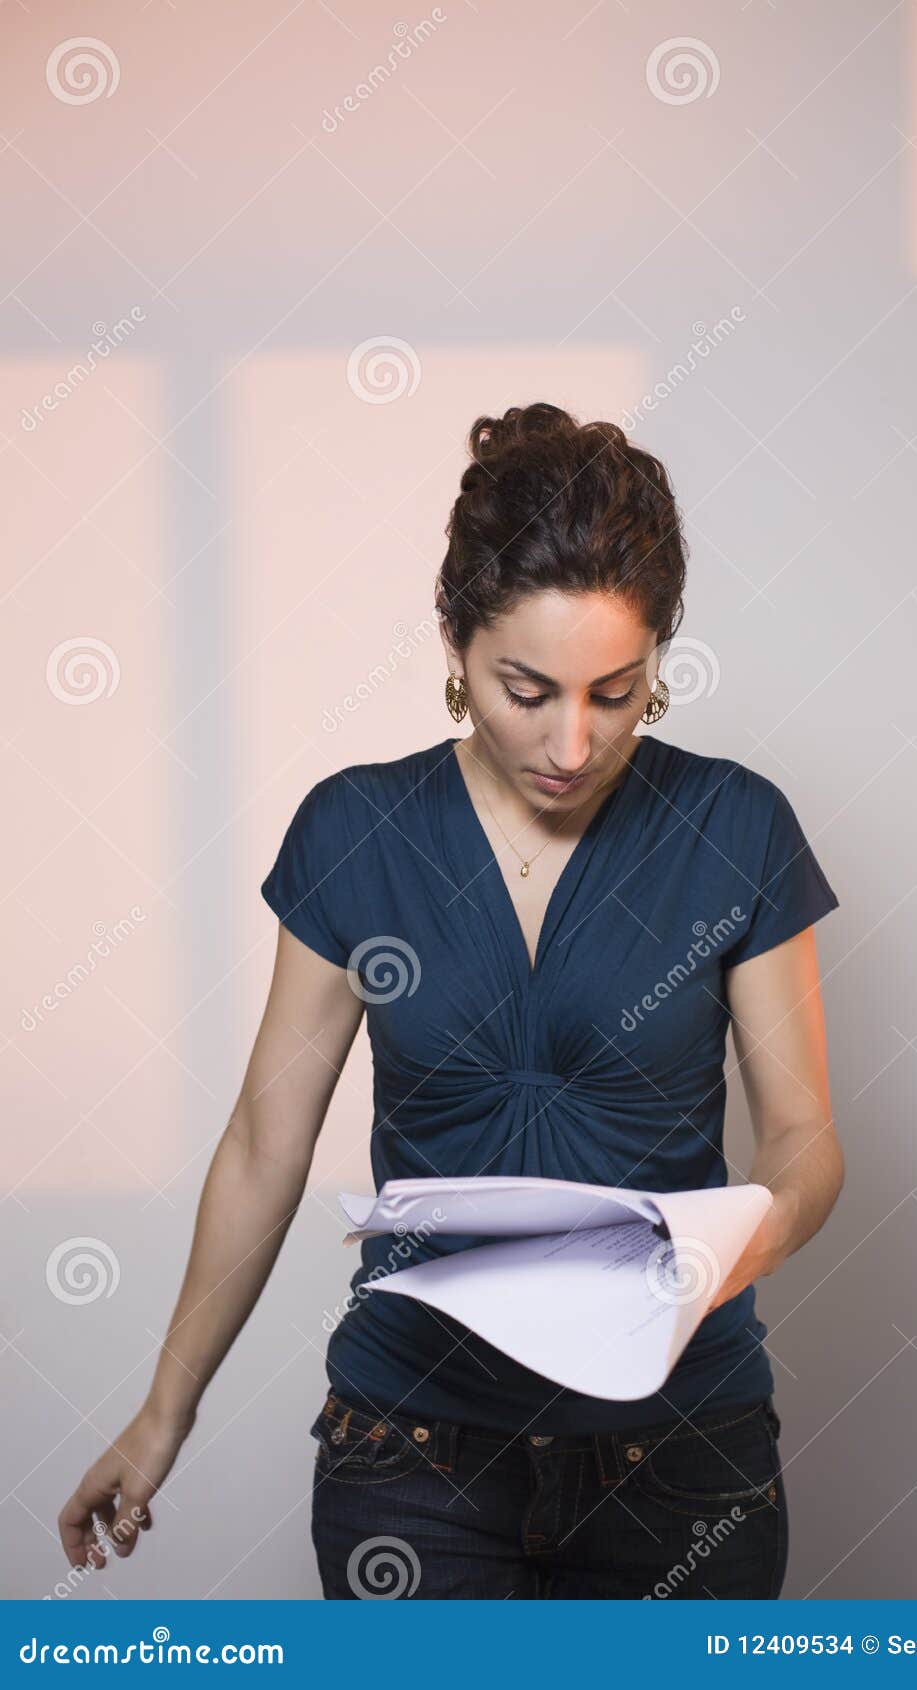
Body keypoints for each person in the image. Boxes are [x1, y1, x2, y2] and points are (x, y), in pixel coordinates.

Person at [58, 402, 844, 1600]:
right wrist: (164, 1412)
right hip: (413, 1457)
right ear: (454, 642)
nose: (572, 744)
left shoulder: (736, 828)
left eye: (616, 693)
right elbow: (268, 1142)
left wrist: (720, 1253)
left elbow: (804, 1141)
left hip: (681, 1459)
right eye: (525, 688)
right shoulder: (355, 830)